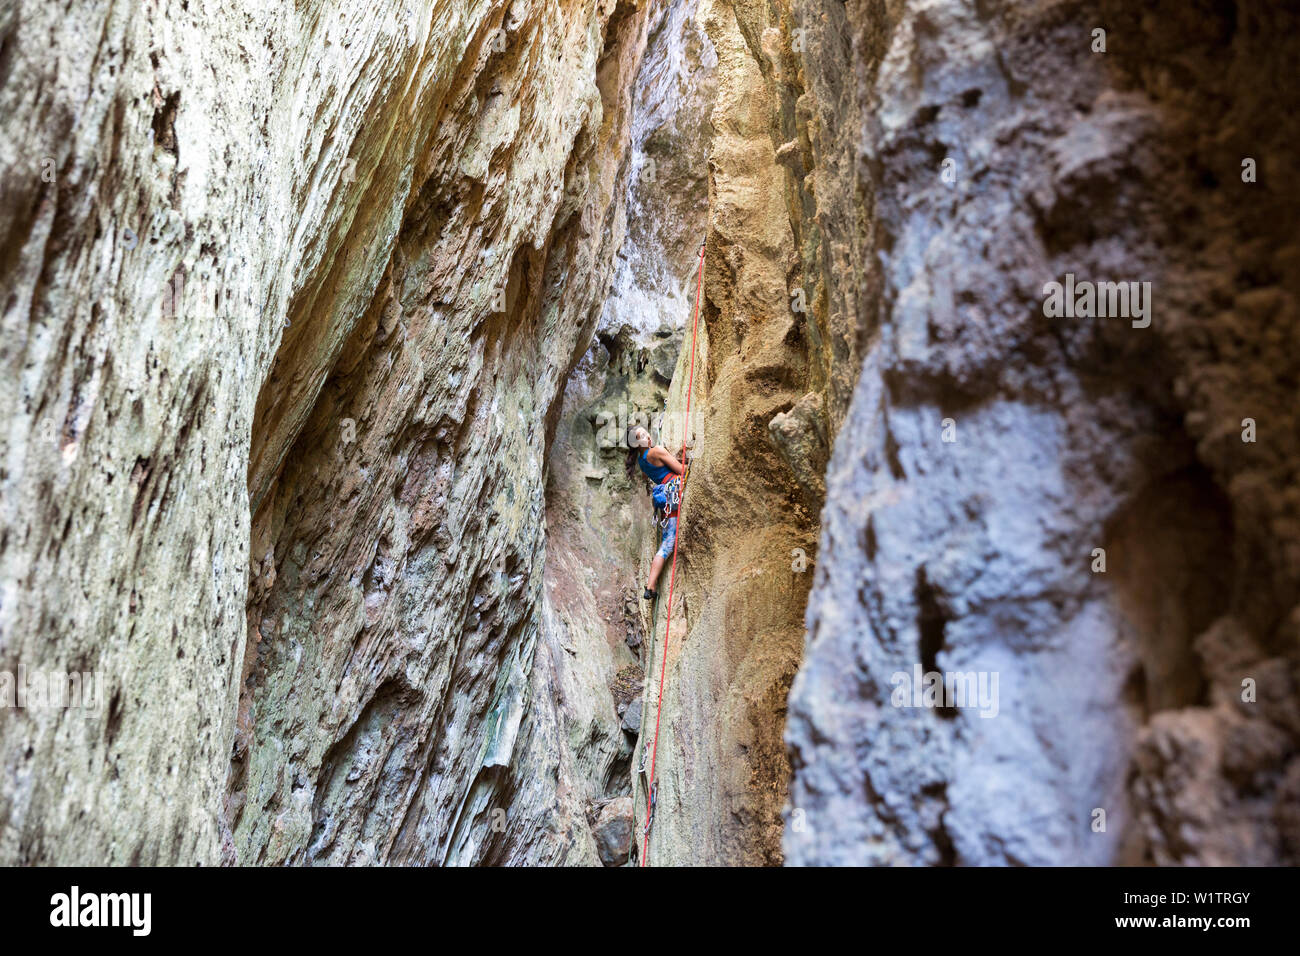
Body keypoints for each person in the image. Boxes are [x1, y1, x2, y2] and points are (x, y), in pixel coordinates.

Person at [624, 425, 687, 601]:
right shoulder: (656, 451)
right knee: (669, 543)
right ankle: (650, 586)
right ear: (637, 444)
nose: (647, 436)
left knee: (667, 543)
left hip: (666, 498)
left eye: (645, 432)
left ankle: (650, 586)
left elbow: (648, 477)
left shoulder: (642, 461)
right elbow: (682, 471)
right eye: (641, 436)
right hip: (675, 491)